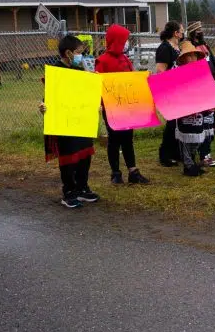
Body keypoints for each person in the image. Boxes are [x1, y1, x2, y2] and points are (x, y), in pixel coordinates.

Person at [41, 35, 98, 208]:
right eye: (79, 52)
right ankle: (69, 191)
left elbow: (86, 94)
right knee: (69, 157)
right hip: (65, 122)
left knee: (85, 154)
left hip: (81, 119)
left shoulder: (80, 70)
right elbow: (50, 98)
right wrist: (44, 106)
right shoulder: (56, 72)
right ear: (68, 53)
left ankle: (82, 187)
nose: (82, 56)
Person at [95, 24, 149, 185]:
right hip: (112, 107)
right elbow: (99, 85)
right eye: (124, 40)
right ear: (116, 40)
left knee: (127, 139)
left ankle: (133, 171)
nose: (126, 43)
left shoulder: (125, 59)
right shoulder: (102, 61)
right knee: (114, 139)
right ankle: (116, 173)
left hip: (127, 106)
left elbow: (131, 80)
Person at [173, 41, 213, 175]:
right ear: (183, 58)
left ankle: (192, 161)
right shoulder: (178, 73)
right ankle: (188, 165)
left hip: (199, 111)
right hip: (185, 111)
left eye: (194, 56)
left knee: (196, 137)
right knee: (186, 138)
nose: (192, 58)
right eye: (189, 56)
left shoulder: (201, 72)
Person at [187, 21, 215, 168]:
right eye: (197, 30)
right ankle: (197, 154)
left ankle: (206, 153)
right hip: (198, 87)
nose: (200, 32)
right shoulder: (189, 47)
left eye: (201, 29)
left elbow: (211, 62)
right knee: (200, 123)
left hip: (210, 84)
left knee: (209, 122)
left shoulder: (204, 44)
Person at [155, 21, 184, 167]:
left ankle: (177, 151)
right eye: (181, 30)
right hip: (170, 89)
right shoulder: (164, 48)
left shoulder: (178, 47)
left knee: (180, 122)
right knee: (172, 123)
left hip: (180, 89)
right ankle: (165, 154)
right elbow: (161, 70)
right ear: (175, 33)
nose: (183, 33)